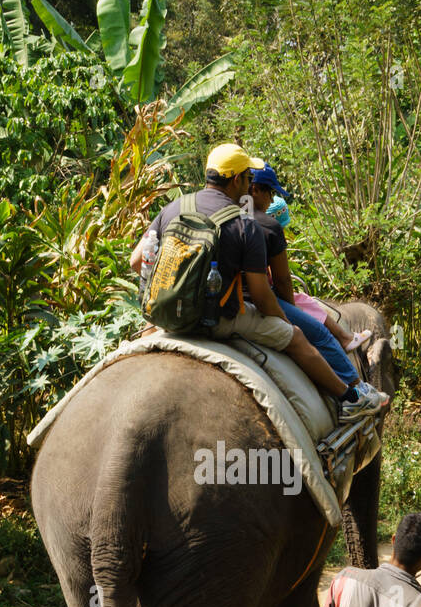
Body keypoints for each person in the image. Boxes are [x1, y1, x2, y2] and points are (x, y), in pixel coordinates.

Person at [130, 143, 384, 421]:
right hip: (219, 321)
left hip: (166, 315)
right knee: (297, 338)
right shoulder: (244, 224)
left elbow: (136, 261)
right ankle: (350, 398)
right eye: (249, 177)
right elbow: (262, 298)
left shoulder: (173, 208)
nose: (250, 184)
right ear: (237, 179)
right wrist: (286, 324)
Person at [249, 164, 372, 354]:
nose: (272, 198)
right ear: (256, 190)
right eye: (271, 193)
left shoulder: (236, 222)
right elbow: (280, 279)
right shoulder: (267, 228)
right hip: (266, 294)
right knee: (307, 305)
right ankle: (344, 340)